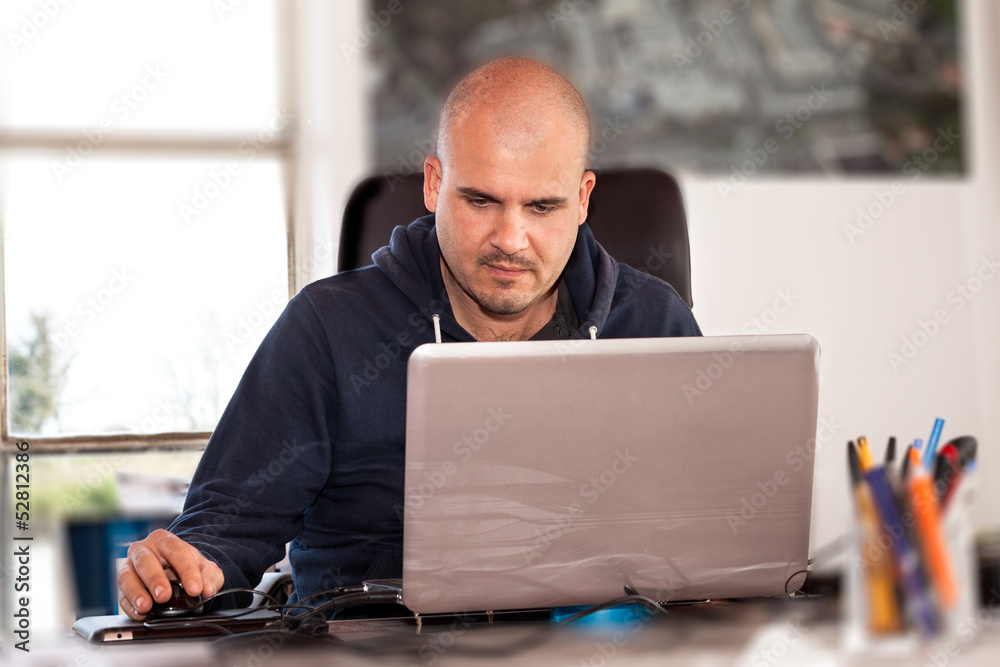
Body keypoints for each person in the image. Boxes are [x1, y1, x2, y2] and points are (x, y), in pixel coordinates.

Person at [117, 56, 701, 620]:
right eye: (480, 200)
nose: (511, 238)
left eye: (542, 207)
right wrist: (181, 573)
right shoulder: (327, 328)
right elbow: (225, 530)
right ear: (433, 183)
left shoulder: (653, 321)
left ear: (581, 200)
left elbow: (712, 526)